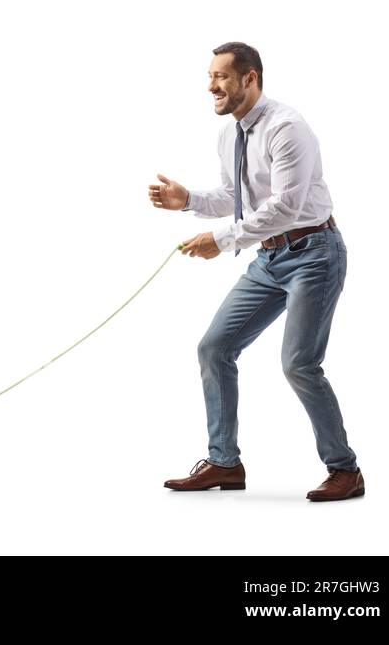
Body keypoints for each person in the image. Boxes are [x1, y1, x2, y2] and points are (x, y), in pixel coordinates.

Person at [149, 41, 362, 501]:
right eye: (210, 77)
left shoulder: (287, 128)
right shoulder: (230, 135)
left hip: (314, 253)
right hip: (269, 260)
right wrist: (188, 201)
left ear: (250, 78)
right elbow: (236, 196)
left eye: (221, 77)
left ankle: (345, 470)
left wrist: (222, 240)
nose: (211, 86)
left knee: (299, 364)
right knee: (214, 347)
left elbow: (285, 207)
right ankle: (224, 462)